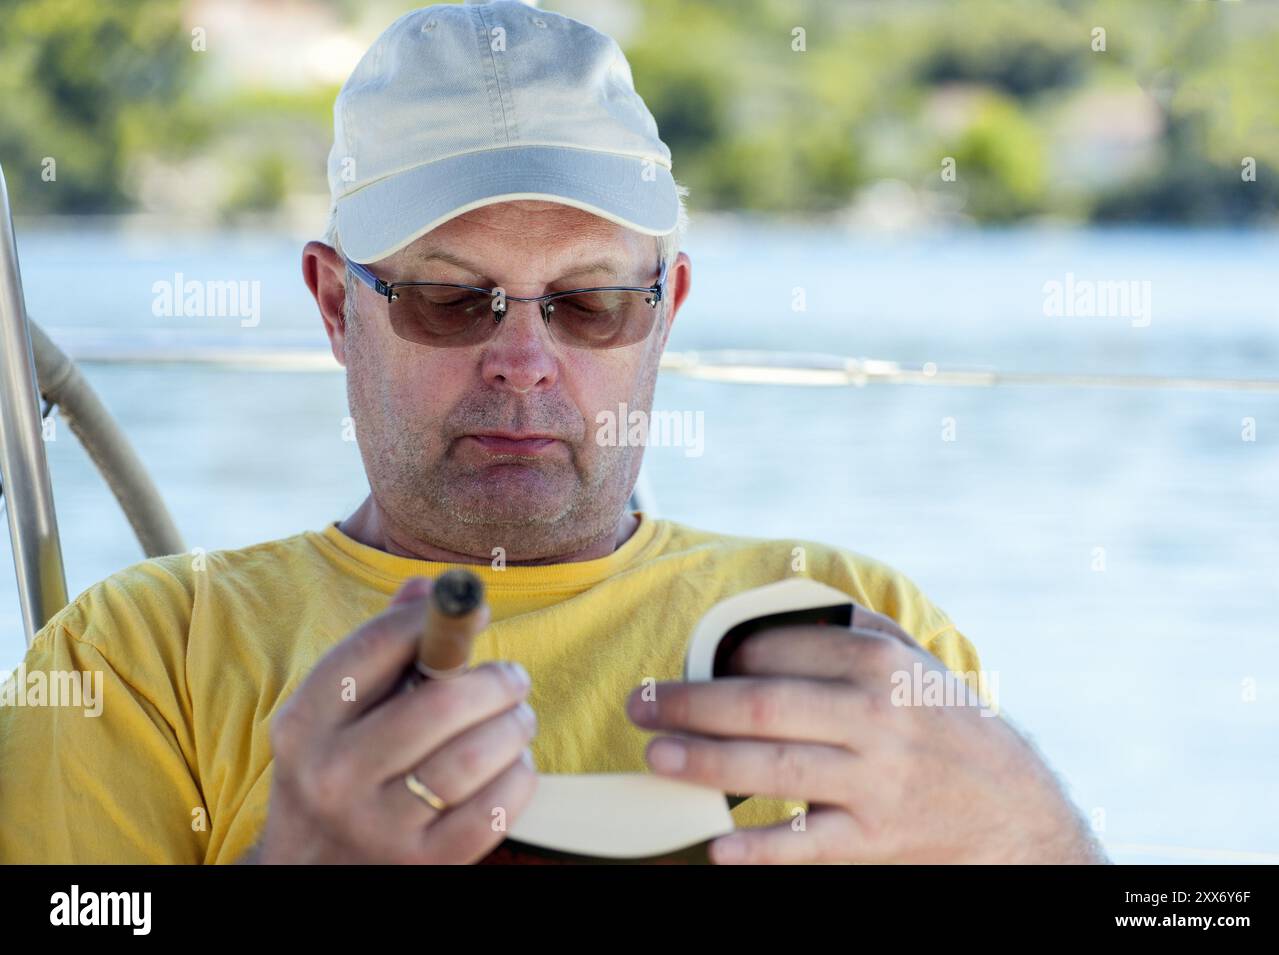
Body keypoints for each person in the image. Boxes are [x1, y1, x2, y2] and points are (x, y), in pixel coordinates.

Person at [0, 1, 1105, 864]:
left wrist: (1033, 834)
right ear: (336, 306)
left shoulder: (858, 635)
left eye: (589, 304)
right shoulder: (142, 660)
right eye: (447, 297)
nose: (523, 361)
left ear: (664, 311)